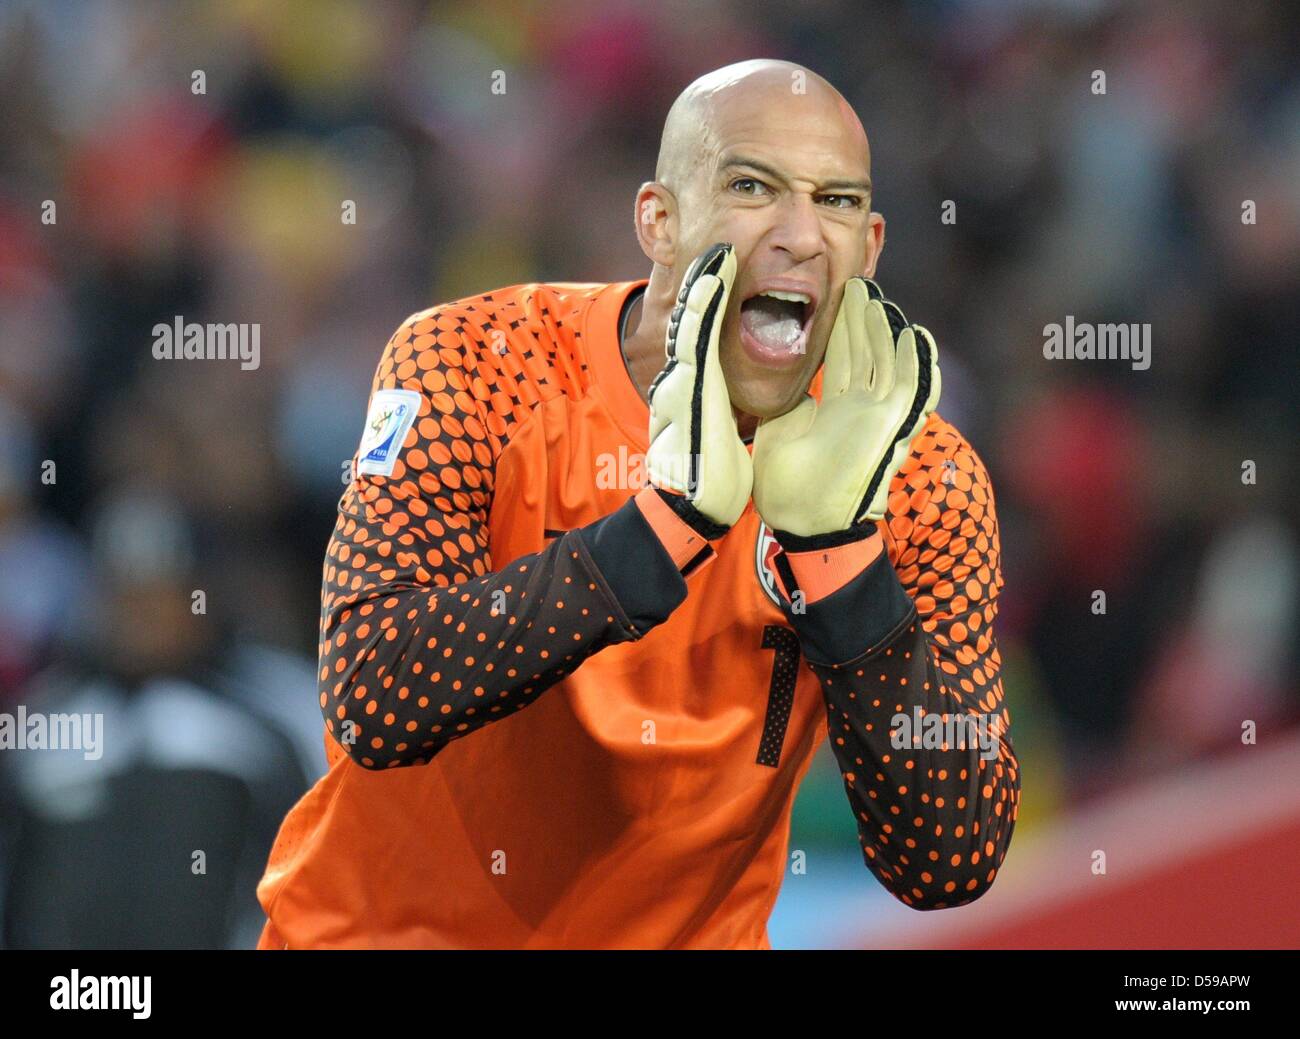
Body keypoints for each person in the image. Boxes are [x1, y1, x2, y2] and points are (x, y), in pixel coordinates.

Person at [255, 59, 1019, 949]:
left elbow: (952, 857)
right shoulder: (474, 360)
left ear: (872, 247)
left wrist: (841, 563)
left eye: (838, 202)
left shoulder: (922, 477)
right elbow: (373, 691)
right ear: (659, 220)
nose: (802, 235)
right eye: (751, 185)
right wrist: (660, 531)